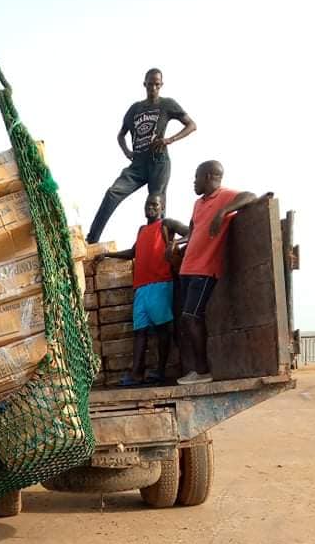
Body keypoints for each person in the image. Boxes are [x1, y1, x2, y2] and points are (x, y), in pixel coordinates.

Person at [86, 69, 196, 244]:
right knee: (113, 193)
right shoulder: (135, 109)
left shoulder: (167, 104)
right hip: (137, 164)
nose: (153, 87)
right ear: (144, 84)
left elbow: (191, 125)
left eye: (157, 84)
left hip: (158, 162)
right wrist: (127, 151)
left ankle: (158, 247)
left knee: (156, 205)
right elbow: (121, 135)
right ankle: (92, 239)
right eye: (150, 84)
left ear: (161, 85)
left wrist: (169, 140)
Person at [177, 161, 262, 385]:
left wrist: (223, 212)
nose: (193, 182)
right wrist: (180, 242)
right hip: (187, 267)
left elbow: (251, 196)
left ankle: (203, 371)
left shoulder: (224, 196)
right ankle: (197, 369)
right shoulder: (198, 203)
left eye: (196, 177)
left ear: (209, 176)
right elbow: (193, 228)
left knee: (191, 317)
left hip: (204, 268)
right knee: (186, 319)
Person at [96, 194, 188, 385]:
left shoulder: (167, 224)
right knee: (140, 331)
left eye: (155, 204)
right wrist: (107, 254)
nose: (150, 208)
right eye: (148, 204)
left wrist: (175, 244)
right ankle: (136, 373)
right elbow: (132, 253)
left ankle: (161, 371)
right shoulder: (142, 230)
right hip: (141, 288)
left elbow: (190, 231)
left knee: (163, 329)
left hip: (160, 284)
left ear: (161, 208)